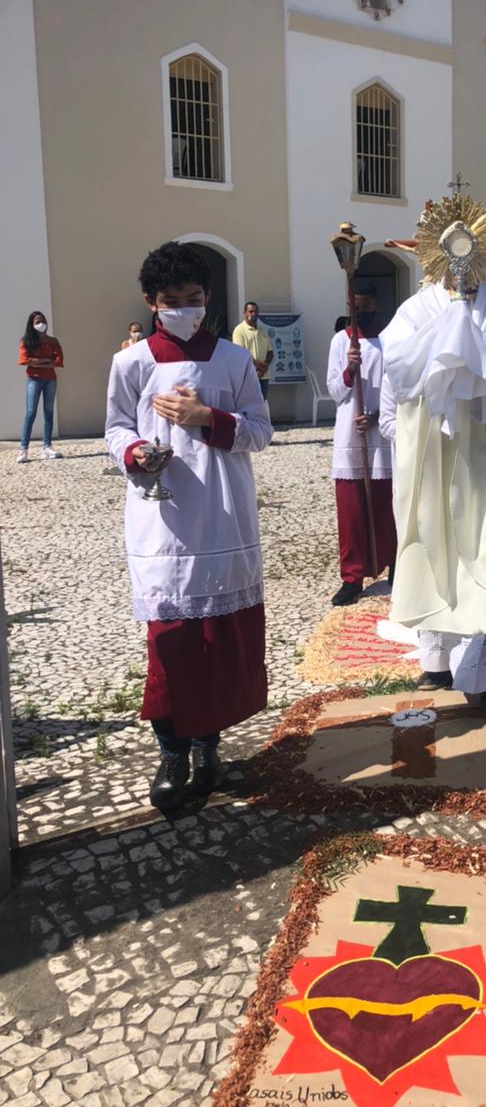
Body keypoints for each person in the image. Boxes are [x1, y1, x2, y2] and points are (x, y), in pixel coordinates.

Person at [104, 241, 272, 811]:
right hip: (164, 516)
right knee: (172, 641)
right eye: (171, 300)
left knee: (217, 641)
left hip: (223, 513)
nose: (183, 308)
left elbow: (259, 430)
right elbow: (115, 429)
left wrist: (210, 419)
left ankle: (209, 749)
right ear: (151, 302)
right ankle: (171, 752)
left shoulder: (231, 359)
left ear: (208, 300)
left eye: (193, 299)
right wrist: (136, 454)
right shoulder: (131, 363)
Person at [381, 204, 486, 705]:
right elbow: (399, 367)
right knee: (433, 548)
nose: (460, 270)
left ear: (484, 257)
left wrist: (473, 350)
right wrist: (446, 337)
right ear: (433, 256)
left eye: (469, 259)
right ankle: (436, 661)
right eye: (450, 259)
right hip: (431, 452)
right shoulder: (415, 311)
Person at [326, 283, 396, 606]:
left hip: (382, 433)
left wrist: (376, 415)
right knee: (352, 509)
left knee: (387, 505)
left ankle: (396, 564)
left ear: (376, 305)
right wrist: (349, 369)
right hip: (349, 434)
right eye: (357, 307)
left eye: (367, 307)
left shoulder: (392, 341)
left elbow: (398, 389)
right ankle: (352, 577)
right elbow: (334, 391)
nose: (363, 312)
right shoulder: (340, 341)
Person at [17, 311, 64, 463]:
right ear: (32, 324)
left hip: (50, 379)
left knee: (48, 412)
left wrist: (37, 361)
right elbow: (24, 360)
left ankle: (47, 446)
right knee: (30, 412)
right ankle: (23, 449)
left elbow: (58, 361)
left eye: (42, 320)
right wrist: (44, 360)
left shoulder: (53, 341)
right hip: (34, 379)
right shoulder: (27, 341)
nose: (40, 323)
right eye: (37, 321)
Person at [232, 301, 274, 400]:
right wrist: (259, 367)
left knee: (261, 404)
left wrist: (265, 366)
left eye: (255, 312)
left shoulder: (262, 330)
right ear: (245, 313)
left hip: (263, 376)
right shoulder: (239, 330)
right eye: (250, 311)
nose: (253, 314)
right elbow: (240, 353)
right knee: (249, 405)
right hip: (248, 376)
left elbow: (270, 352)